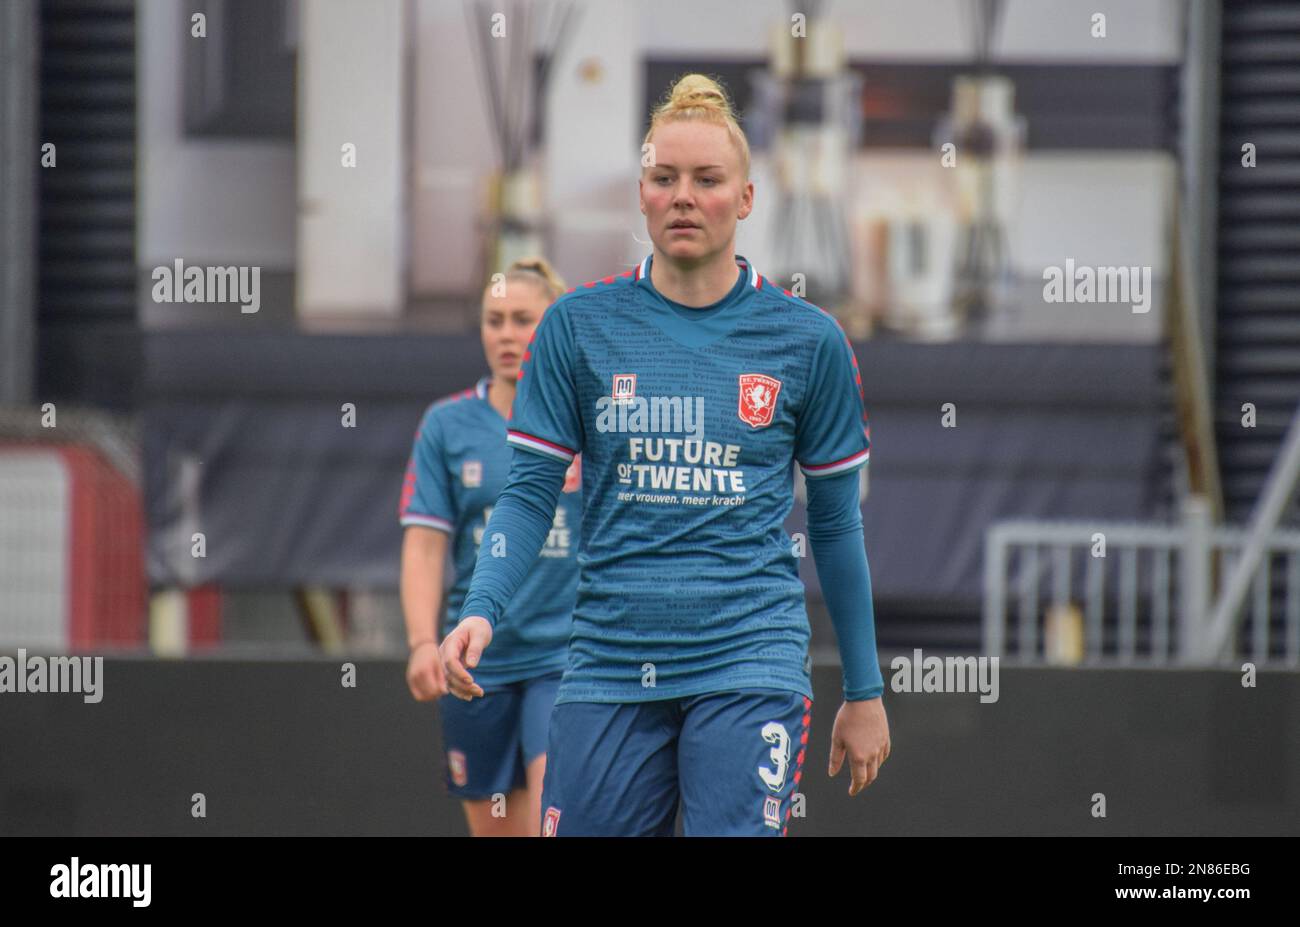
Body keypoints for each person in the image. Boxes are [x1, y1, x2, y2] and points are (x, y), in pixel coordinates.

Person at [441, 74, 889, 837]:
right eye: (663, 177)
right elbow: (527, 496)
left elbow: (838, 527)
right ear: (641, 194)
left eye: (707, 179)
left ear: (746, 198)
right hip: (610, 659)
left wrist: (865, 688)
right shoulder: (576, 327)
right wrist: (482, 607)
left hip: (750, 659)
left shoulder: (809, 342)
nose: (683, 195)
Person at [399, 257, 580, 837]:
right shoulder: (447, 425)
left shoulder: (585, 417)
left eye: (524, 319)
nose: (507, 334)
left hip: (567, 657)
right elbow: (425, 546)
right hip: (477, 661)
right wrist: (424, 642)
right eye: (494, 319)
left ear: (552, 326)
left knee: (554, 816)